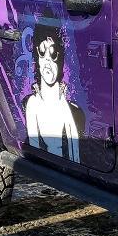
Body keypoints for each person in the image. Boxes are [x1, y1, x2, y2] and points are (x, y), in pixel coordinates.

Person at [24, 23, 81, 163]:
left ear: (61, 59)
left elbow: (75, 154)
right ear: (37, 57)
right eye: (42, 52)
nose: (48, 60)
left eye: (53, 53)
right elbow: (34, 148)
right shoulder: (33, 103)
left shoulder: (68, 107)